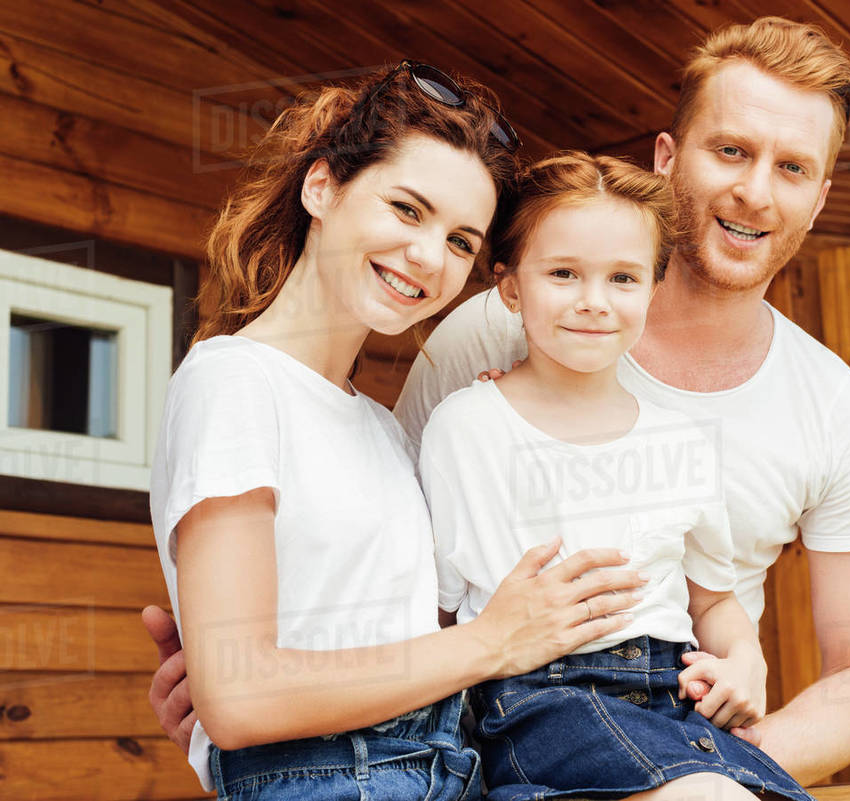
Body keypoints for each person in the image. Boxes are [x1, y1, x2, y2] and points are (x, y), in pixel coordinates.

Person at [146, 15, 850, 788]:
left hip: (646, 736)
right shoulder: (484, 338)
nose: (753, 189)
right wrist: (237, 691)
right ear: (670, 158)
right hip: (477, 743)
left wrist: (684, 773)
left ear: (819, 197)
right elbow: (401, 591)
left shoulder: (833, 408)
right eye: (732, 150)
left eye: (792, 167)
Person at [147, 62, 646, 800]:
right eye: (407, 209)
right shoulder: (235, 381)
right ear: (322, 187)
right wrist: (489, 641)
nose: (427, 256)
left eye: (459, 241)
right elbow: (243, 696)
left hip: (442, 766)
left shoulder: (385, 430)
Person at [422, 151, 815, 800]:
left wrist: (745, 658)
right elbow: (434, 617)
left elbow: (713, 599)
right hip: (537, 701)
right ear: (511, 286)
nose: (593, 302)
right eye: (564, 273)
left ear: (654, 290)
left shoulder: (679, 439)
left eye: (623, 278)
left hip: (673, 694)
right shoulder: (468, 428)